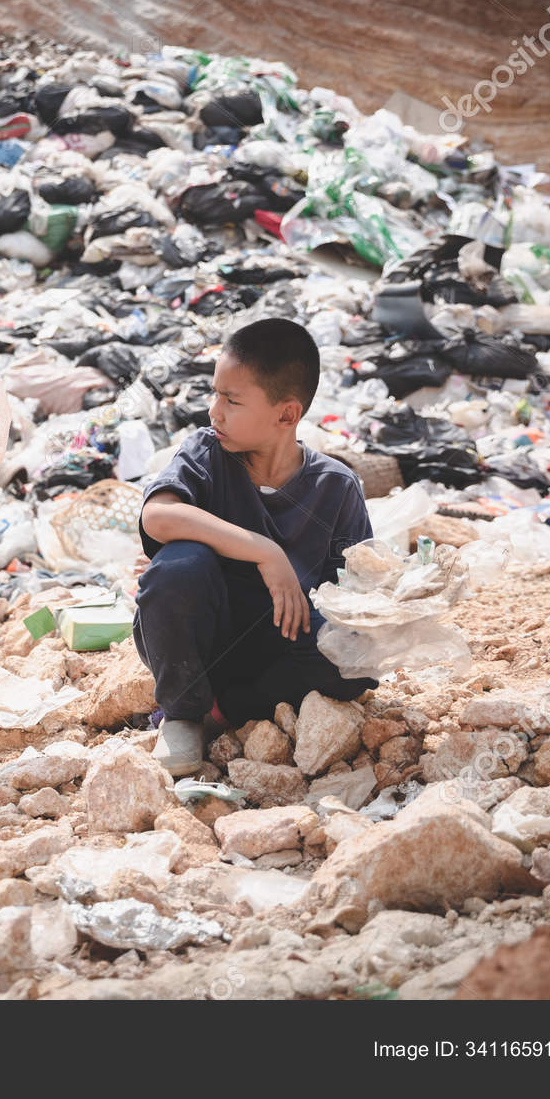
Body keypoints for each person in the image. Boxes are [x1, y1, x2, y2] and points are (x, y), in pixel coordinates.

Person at [134, 317, 379, 776]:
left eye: (231, 400)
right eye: (215, 394)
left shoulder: (336, 488)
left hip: (282, 653)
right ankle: (184, 715)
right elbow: (158, 516)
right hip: (205, 643)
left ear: (286, 414)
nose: (214, 412)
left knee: (357, 657)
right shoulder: (209, 454)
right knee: (176, 568)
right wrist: (265, 551)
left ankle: (223, 713)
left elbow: (360, 590)